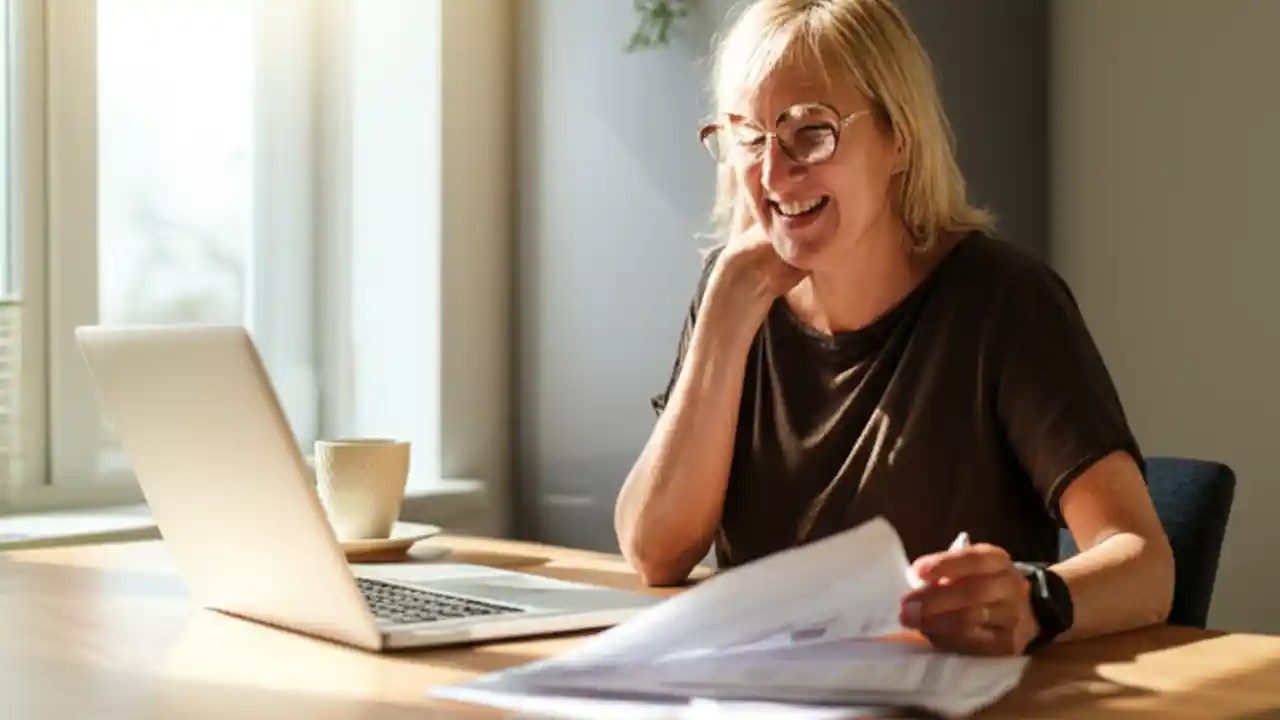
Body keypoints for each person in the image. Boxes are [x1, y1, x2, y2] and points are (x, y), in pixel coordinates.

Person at [614, 0, 1174, 657]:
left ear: (898, 137)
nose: (772, 174)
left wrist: (1031, 600)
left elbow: (1145, 564)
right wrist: (727, 315)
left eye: (810, 133)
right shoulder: (734, 294)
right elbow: (655, 556)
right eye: (751, 136)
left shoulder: (1005, 301)